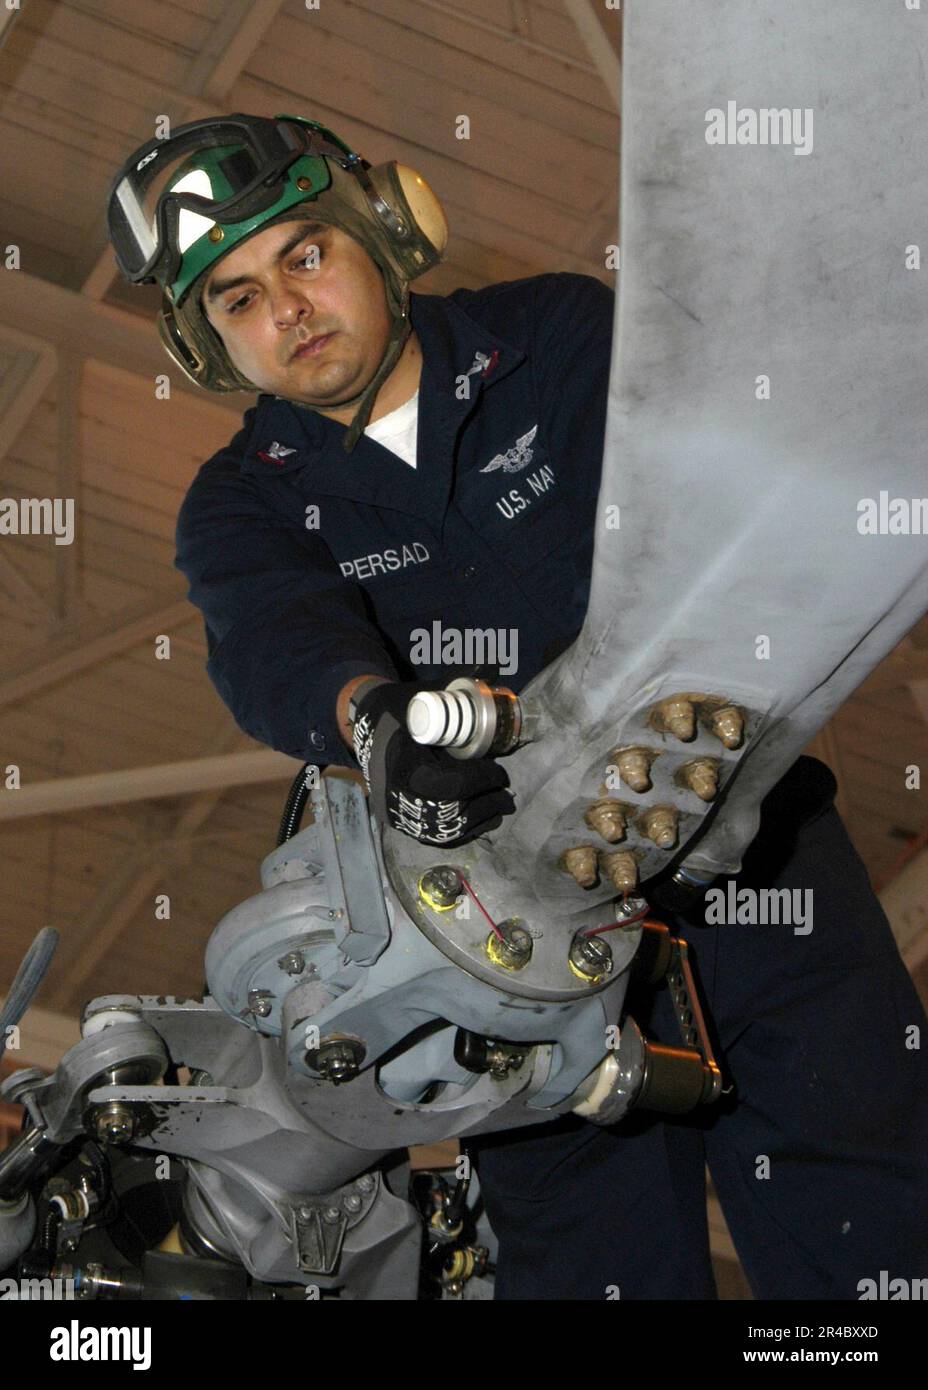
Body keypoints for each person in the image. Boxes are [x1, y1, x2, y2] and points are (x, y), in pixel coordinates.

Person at [107, 112, 928, 1300]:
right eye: (235, 300)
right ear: (210, 349)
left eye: (302, 254)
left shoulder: (563, 337)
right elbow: (279, 637)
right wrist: (379, 725)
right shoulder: (238, 504)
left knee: (874, 1216)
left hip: (755, 863)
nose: (284, 307)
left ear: (385, 230)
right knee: (589, 1270)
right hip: (502, 947)